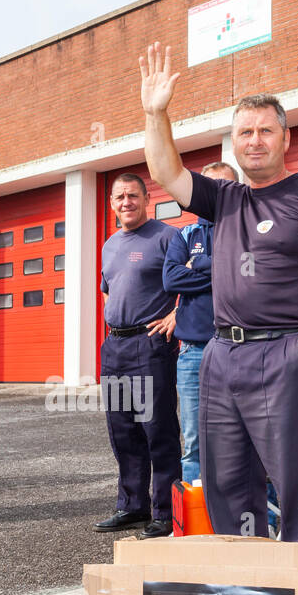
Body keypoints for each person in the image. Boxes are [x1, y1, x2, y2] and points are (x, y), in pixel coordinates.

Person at [139, 42, 298, 571]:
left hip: (282, 356)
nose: (254, 140)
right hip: (220, 358)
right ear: (233, 143)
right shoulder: (227, 198)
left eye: (264, 130)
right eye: (244, 132)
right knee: (228, 488)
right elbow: (167, 174)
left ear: (286, 137)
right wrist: (156, 113)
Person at [93, 173, 180, 539]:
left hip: (149, 346)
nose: (125, 202)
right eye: (119, 197)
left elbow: (194, 284)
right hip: (115, 348)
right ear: (111, 204)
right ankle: (131, 505)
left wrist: (176, 316)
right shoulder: (110, 245)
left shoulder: (167, 237)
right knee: (122, 430)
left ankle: (164, 511)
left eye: (132, 195)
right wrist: (115, 324)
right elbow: (107, 292)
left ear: (147, 199)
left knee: (156, 429)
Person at [162, 161, 238, 486]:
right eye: (211, 187)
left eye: (225, 187)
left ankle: (263, 523)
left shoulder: (246, 232)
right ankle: (197, 524)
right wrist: (221, 269)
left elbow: (248, 277)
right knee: (194, 443)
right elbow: (171, 279)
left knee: (247, 439)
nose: (217, 194)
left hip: (240, 350)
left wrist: (201, 264)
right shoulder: (186, 234)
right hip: (193, 353)